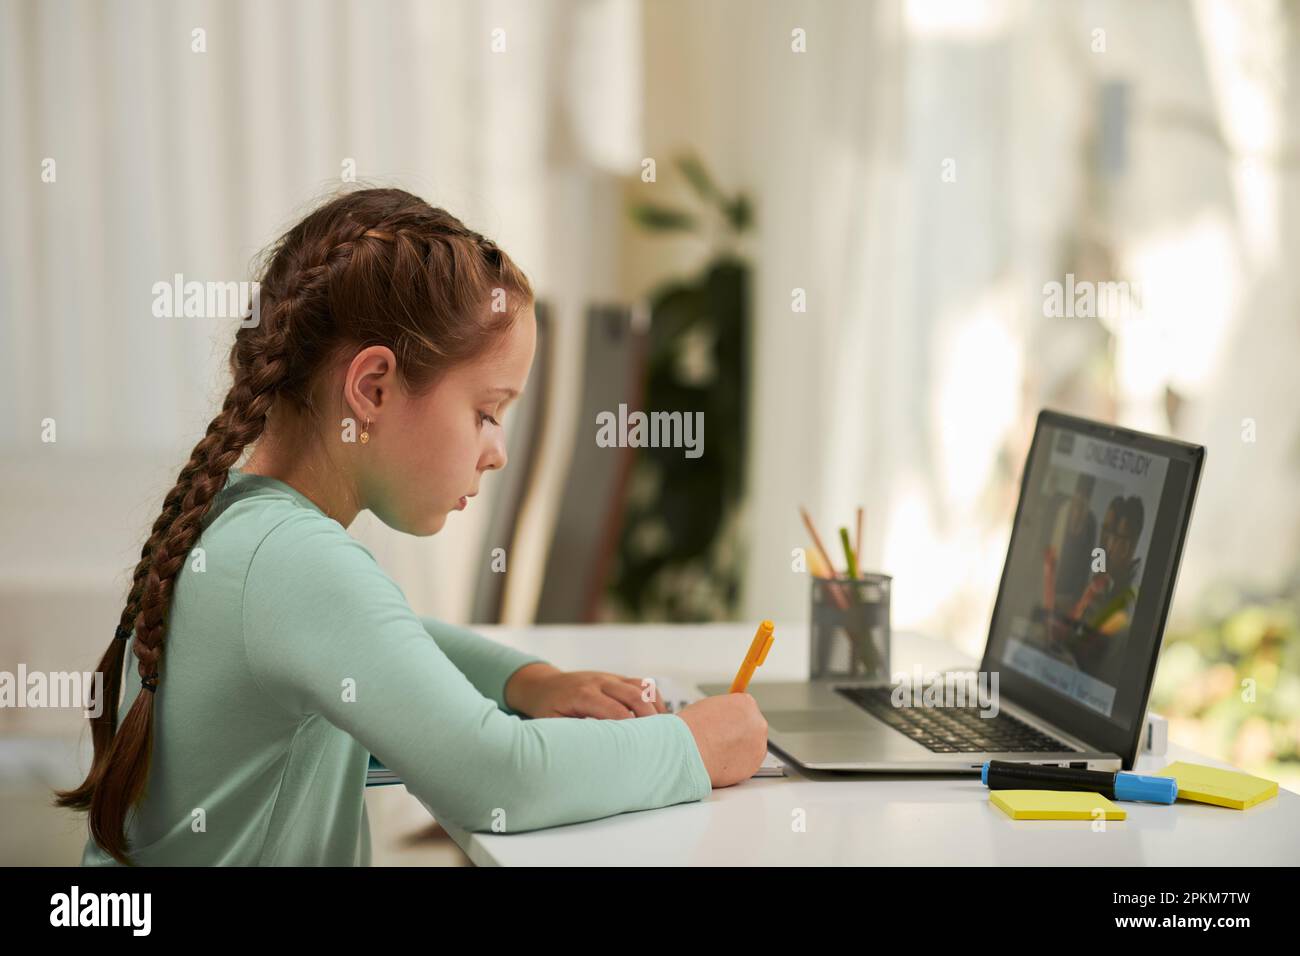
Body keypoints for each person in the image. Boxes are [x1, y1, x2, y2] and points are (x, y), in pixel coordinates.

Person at [57, 188, 767, 866]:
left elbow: (390, 640)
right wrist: (692, 746)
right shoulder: (294, 559)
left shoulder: (241, 522)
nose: (498, 452)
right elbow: (500, 780)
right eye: (487, 412)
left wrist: (529, 681)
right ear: (372, 389)